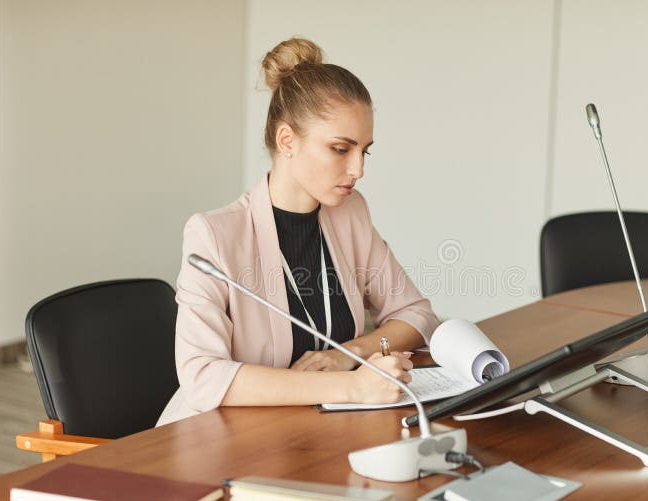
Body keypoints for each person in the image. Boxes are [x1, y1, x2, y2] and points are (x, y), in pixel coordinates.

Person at [157, 38, 439, 425]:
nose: (358, 170)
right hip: (220, 441)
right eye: (341, 149)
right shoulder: (214, 235)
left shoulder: (350, 214)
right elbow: (202, 376)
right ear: (286, 140)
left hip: (320, 431)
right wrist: (352, 387)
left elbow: (416, 314)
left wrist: (347, 355)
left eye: (364, 151)